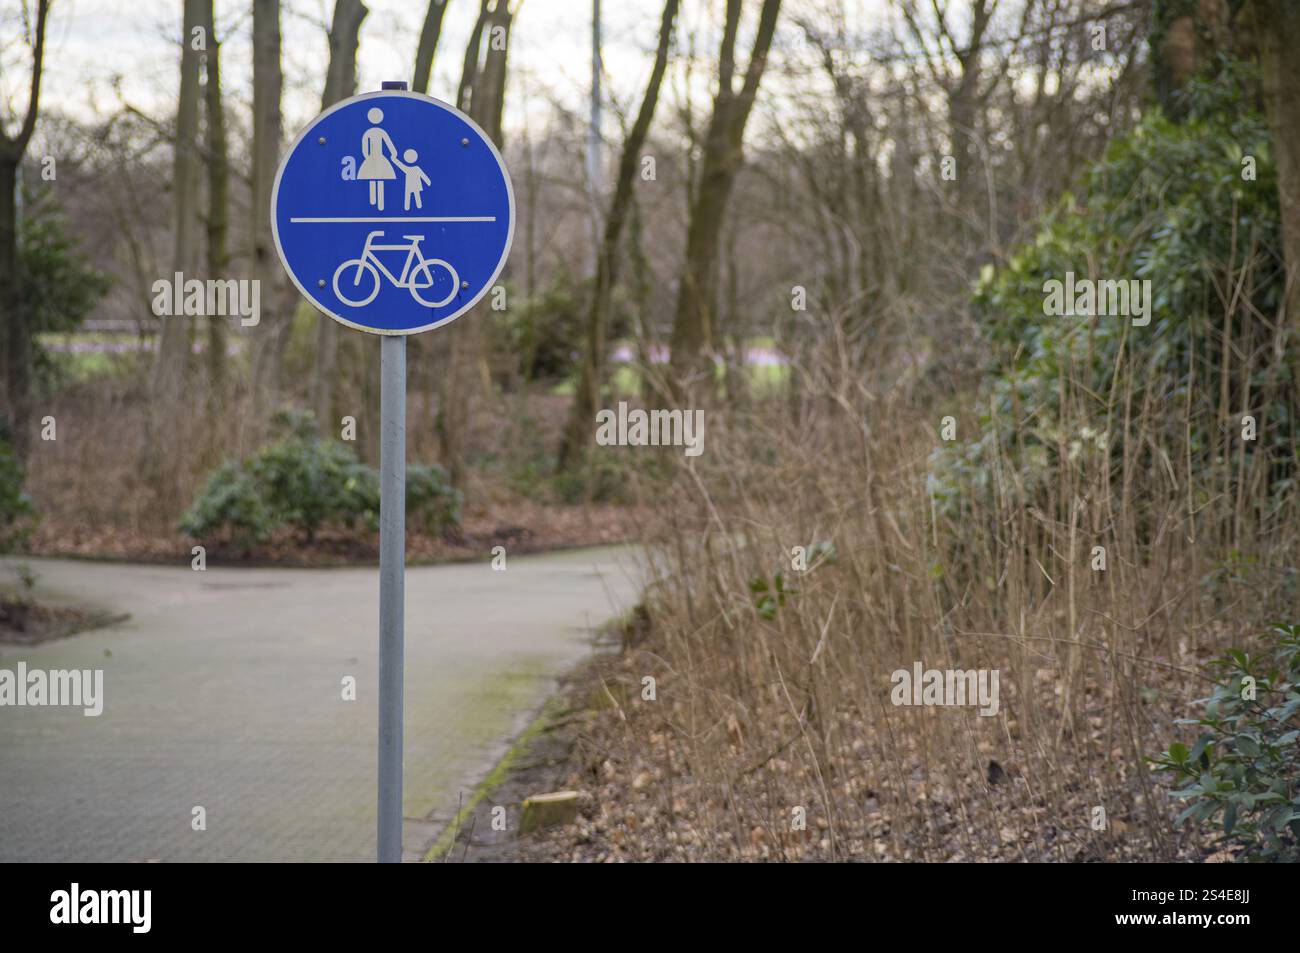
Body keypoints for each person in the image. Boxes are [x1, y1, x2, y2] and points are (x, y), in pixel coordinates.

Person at [358, 107, 397, 211]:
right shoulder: (373, 132)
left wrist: (367, 156)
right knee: (373, 178)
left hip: (376, 157)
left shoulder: (374, 132)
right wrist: (393, 153)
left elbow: (387, 143)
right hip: (375, 157)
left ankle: (378, 203)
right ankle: (374, 204)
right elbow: (365, 146)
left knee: (378, 178)